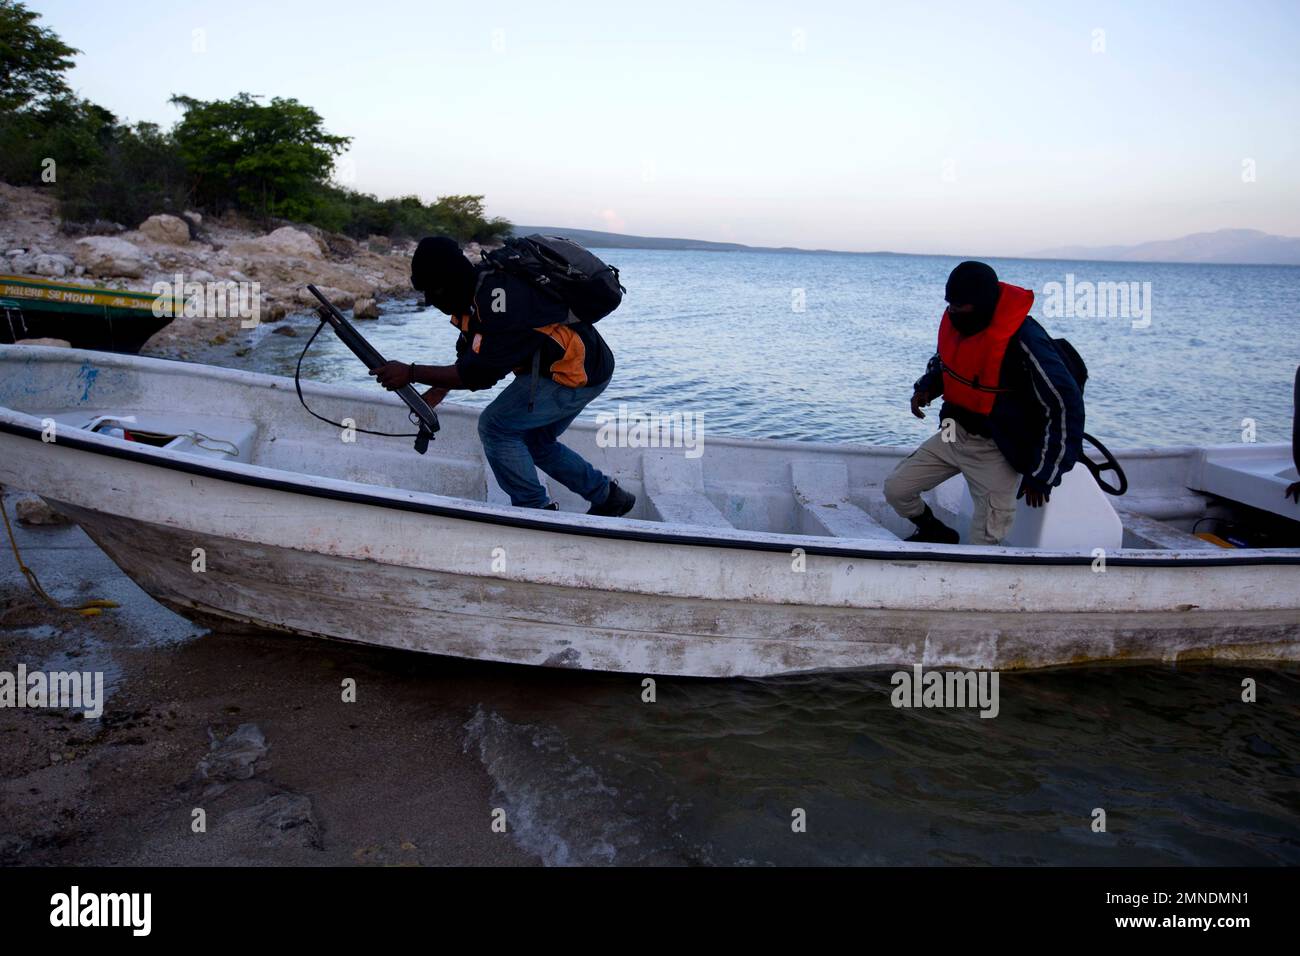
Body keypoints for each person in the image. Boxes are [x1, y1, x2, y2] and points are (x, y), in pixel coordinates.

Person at [369, 236, 635, 516]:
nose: (429, 300)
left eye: (432, 290)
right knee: (536, 441)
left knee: (496, 427)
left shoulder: (499, 300)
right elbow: (471, 355)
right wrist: (436, 392)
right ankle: (609, 497)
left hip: (574, 372)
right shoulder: (475, 291)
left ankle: (534, 511)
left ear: (448, 280)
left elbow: (478, 376)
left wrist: (410, 372)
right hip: (579, 366)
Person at [884, 260, 1084, 545]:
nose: (952, 311)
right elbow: (946, 363)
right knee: (897, 489)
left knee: (985, 538)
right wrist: (926, 388)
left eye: (960, 306)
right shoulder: (956, 321)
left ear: (982, 304)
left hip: (997, 448)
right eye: (949, 304)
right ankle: (933, 531)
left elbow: (1066, 405)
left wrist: (1044, 474)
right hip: (954, 433)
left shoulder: (1025, 339)